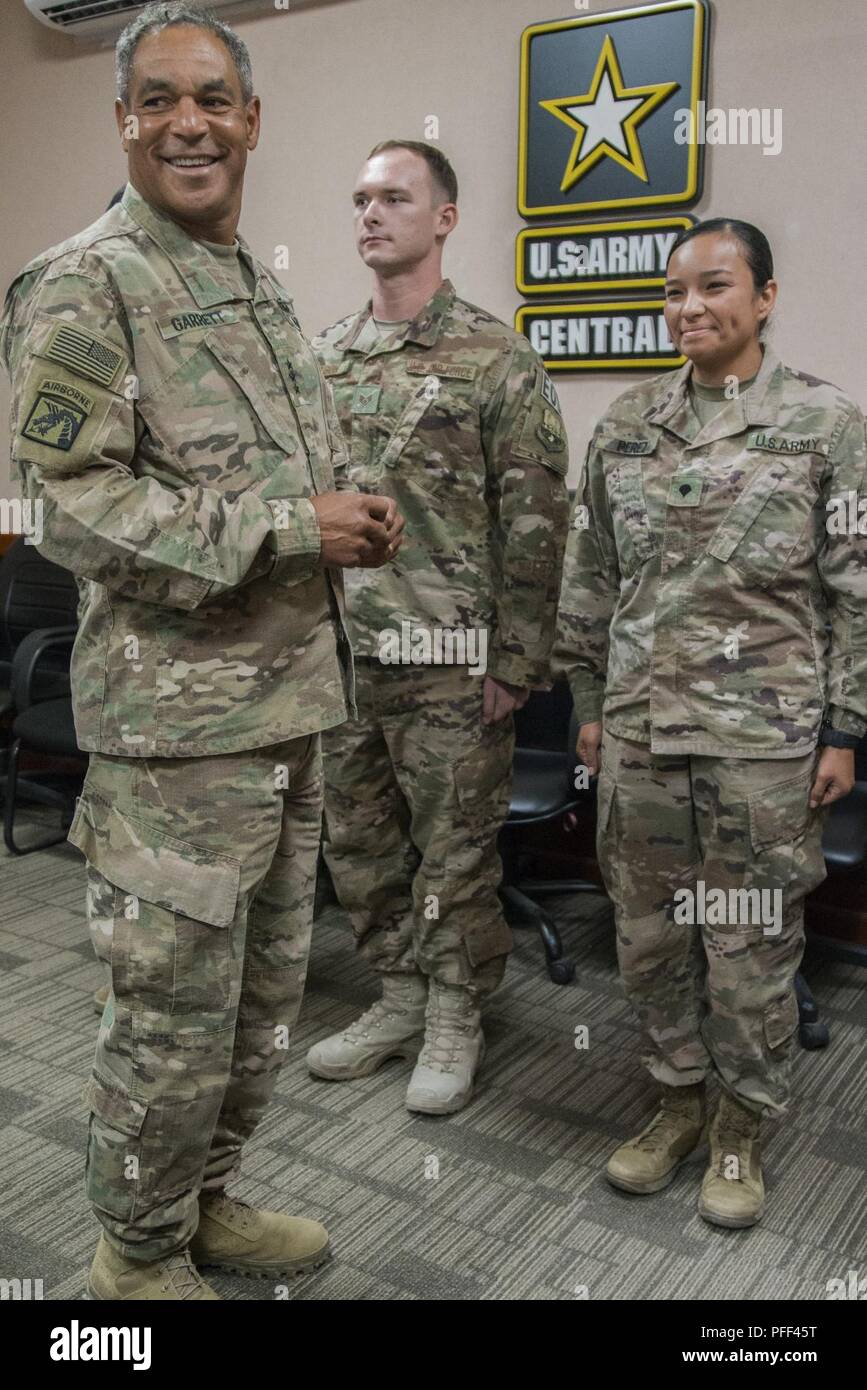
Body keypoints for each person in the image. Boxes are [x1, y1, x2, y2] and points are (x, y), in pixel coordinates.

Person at [0, 2, 403, 1300]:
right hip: (175, 745)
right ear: (122, 119)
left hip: (286, 715)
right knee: (167, 1023)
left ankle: (202, 1201)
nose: (191, 121)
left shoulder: (252, 283)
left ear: (251, 120)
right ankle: (132, 1255)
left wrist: (346, 510)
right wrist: (296, 526)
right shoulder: (85, 281)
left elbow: (259, 478)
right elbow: (75, 508)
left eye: (214, 98)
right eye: (160, 98)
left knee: (258, 1008)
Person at [554, 217, 867, 1227]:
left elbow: (853, 591)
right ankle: (675, 1102)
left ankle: (740, 1127)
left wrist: (846, 729)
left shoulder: (825, 426)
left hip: (763, 745)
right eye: (676, 291)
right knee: (647, 940)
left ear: (765, 297)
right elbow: (591, 573)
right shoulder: (627, 423)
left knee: (748, 948)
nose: (691, 306)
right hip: (643, 735)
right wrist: (592, 707)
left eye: (715, 286)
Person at [307, 141, 570, 1114]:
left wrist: (518, 662)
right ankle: (400, 994)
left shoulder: (497, 358)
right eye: (361, 197)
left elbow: (539, 524)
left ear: (446, 217)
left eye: (395, 197)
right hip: (347, 652)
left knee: (455, 852)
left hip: (455, 658)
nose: (372, 213)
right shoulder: (325, 356)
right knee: (361, 848)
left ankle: (459, 1011)